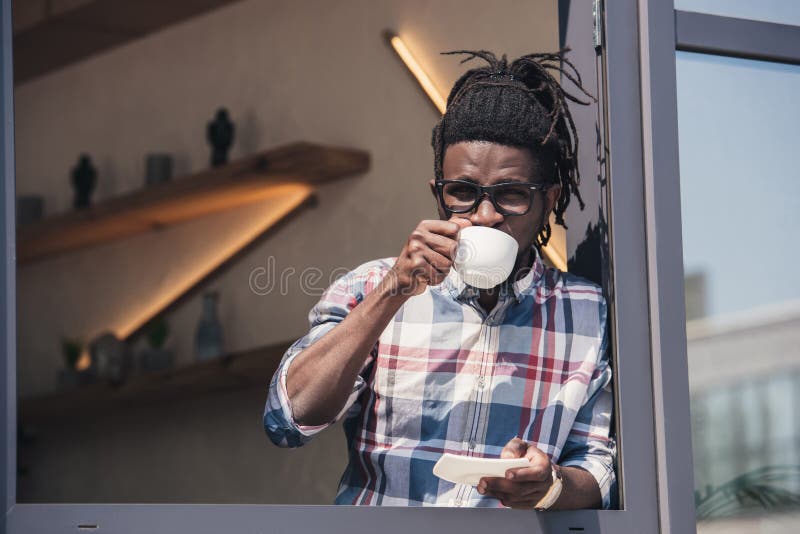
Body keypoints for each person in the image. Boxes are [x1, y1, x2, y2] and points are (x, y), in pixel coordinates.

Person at [264, 50, 616, 510]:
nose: (486, 215)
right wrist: (393, 291)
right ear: (439, 195)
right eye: (464, 194)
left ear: (548, 200)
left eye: (511, 194)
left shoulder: (586, 311)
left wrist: (550, 485)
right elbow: (288, 419)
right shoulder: (372, 285)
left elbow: (598, 470)